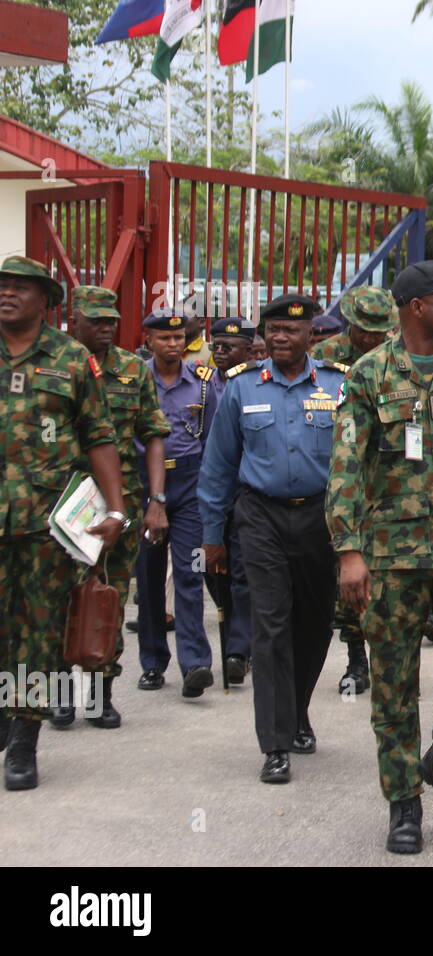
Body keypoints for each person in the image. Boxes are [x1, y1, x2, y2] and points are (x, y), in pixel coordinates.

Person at [327, 260, 433, 854]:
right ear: (416, 306)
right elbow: (346, 464)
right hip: (392, 553)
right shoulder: (370, 375)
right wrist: (349, 551)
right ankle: (404, 802)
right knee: (394, 686)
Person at [199, 293, 348, 784]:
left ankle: (298, 710)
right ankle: (275, 743)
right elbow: (219, 464)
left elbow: (354, 464)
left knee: (314, 624)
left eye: (292, 330)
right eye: (274, 330)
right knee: (270, 627)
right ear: (264, 337)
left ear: (312, 336)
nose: (282, 338)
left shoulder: (337, 384)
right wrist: (212, 534)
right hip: (259, 517)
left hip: (320, 520)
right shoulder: (242, 387)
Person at [0, 257, 128, 790]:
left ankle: (24, 742)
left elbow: (99, 437)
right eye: (1, 286)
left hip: (43, 523)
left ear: (45, 300)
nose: (7, 294)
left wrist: (117, 509)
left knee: (34, 633)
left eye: (18, 288)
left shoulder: (72, 359)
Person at [51, 287, 170, 731]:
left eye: (111, 322)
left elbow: (154, 433)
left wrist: (157, 501)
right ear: (74, 319)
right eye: (95, 321)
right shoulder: (58, 363)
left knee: (111, 597)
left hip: (120, 502)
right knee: (60, 598)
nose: (104, 329)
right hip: (62, 504)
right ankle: (61, 694)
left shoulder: (132, 370)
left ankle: (101, 692)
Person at [311, 287, 398, 696]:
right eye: (364, 331)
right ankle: (355, 658)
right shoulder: (325, 355)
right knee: (346, 571)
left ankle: (391, 660)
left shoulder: (396, 354)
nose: (370, 338)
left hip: (386, 478)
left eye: (378, 332)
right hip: (339, 474)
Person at [135, 307, 219, 698]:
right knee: (150, 576)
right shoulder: (136, 380)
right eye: (165, 338)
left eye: (179, 338)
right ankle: (153, 662)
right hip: (144, 484)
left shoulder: (204, 383)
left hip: (189, 482)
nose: (173, 344)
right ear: (148, 339)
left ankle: (195, 663)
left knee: (190, 572)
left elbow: (214, 437)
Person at [205, 318, 258, 684]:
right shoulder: (201, 384)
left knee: (242, 571)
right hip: (207, 489)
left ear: (250, 350)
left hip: (245, 489)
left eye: (229, 346)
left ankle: (238, 649)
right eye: (216, 345)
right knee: (211, 567)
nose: (220, 351)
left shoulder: (255, 385)